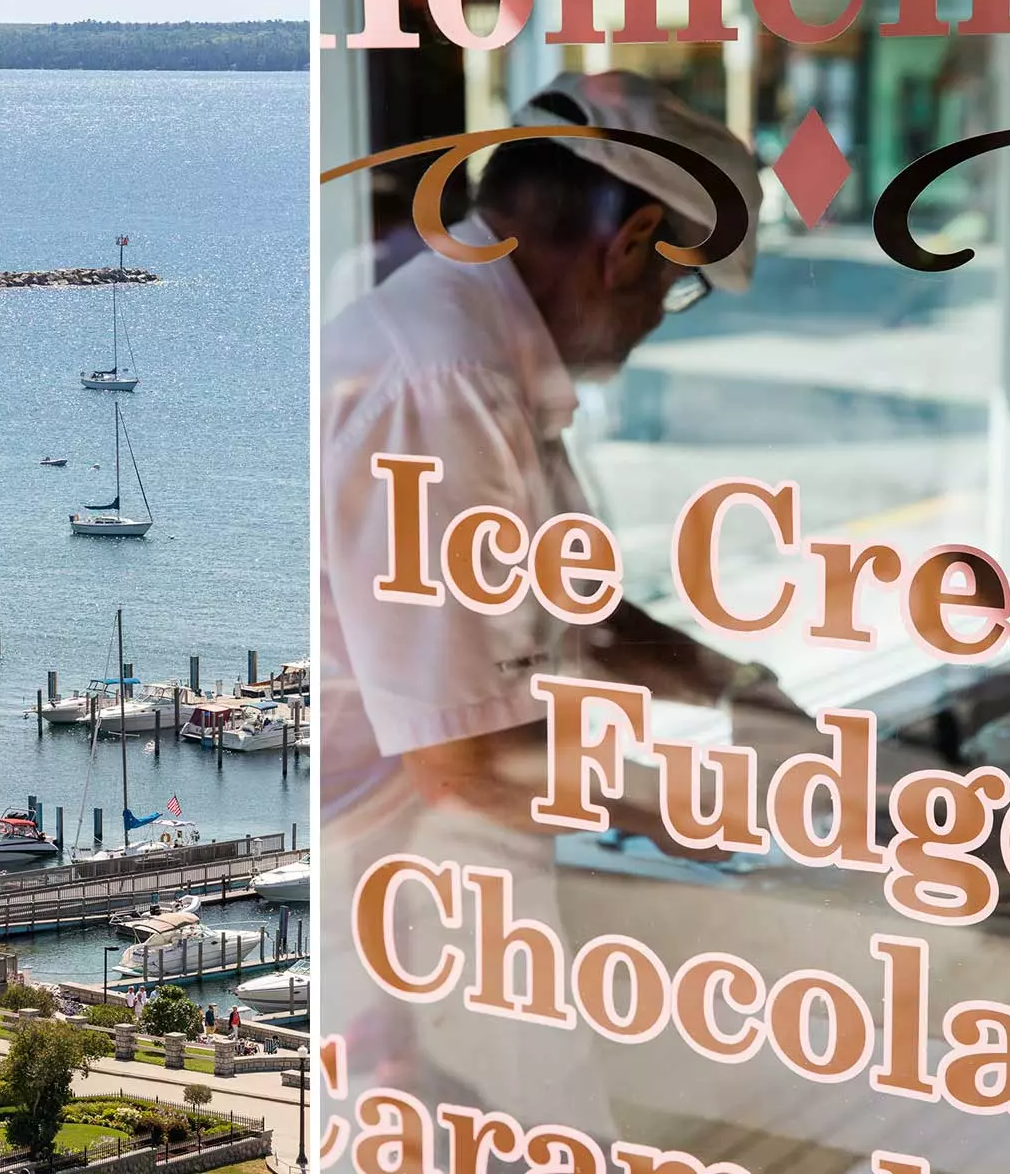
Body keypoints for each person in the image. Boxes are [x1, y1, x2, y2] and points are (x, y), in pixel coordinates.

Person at [320, 70, 815, 1142]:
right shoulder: (441, 379)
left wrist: (733, 684)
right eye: (675, 291)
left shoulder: (480, 347)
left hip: (457, 898)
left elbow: (573, 608)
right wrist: (704, 806)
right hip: (401, 912)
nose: (652, 326)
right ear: (632, 242)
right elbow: (466, 760)